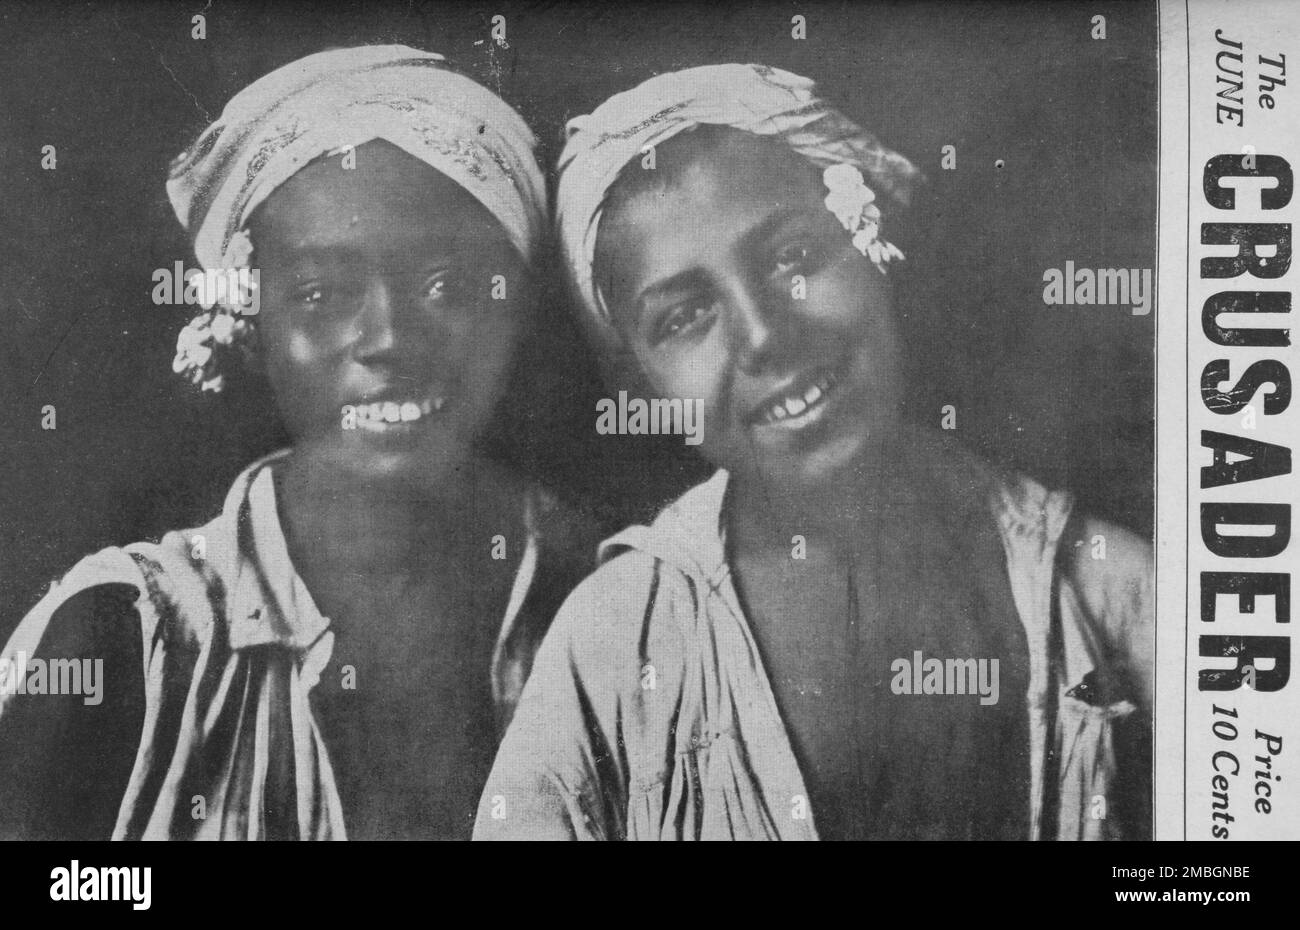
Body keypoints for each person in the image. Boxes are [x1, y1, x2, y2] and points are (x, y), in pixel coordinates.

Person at [474, 63, 1154, 841]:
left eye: (794, 256)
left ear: (874, 242)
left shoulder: (1106, 595)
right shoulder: (617, 643)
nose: (764, 335)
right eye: (686, 315)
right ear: (642, 379)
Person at [0, 45, 596, 840]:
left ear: (515, 303)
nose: (388, 338)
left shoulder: (621, 599)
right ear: (251, 326)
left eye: (447, 286)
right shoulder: (128, 634)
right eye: (322, 294)